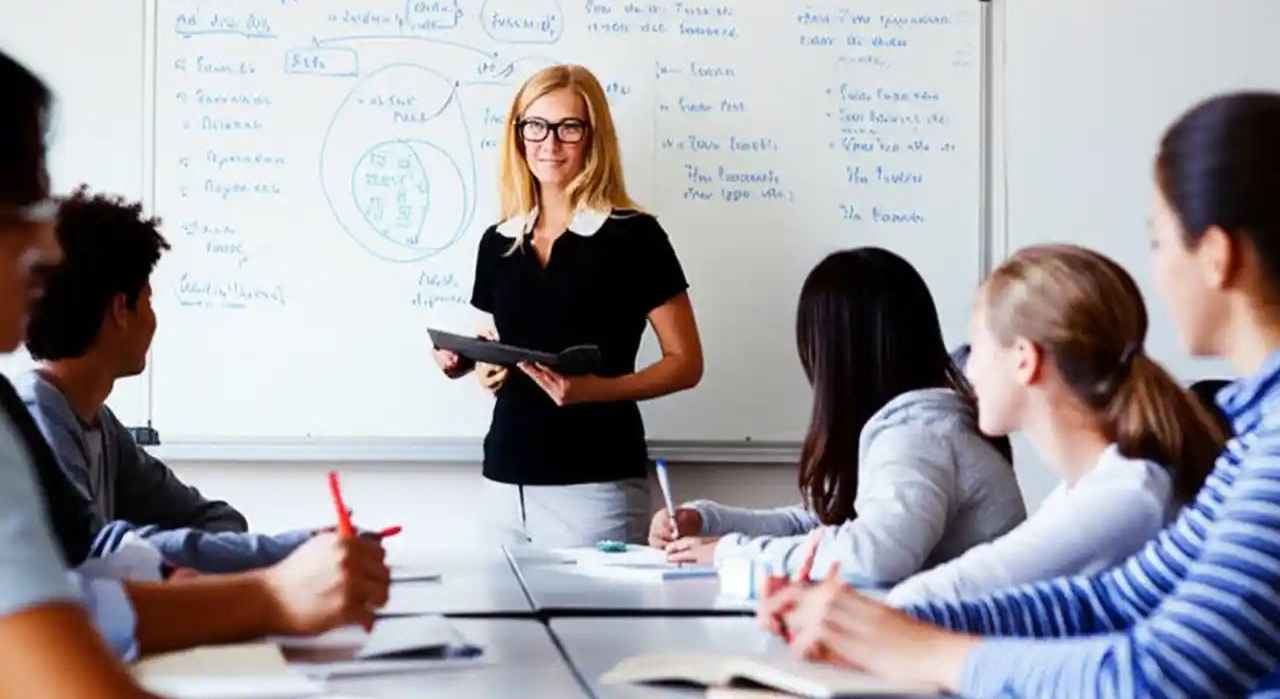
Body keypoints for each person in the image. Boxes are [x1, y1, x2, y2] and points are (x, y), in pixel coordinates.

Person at [760, 92, 1280, 697]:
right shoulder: (1255, 430)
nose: (1156, 267)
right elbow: (1113, 600)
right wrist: (879, 623)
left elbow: (1159, 674)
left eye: (1159, 242)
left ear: (1216, 256)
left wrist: (917, 648)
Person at [0, 49, 388, 696]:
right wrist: (271, 587)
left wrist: (230, 586)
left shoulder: (36, 418)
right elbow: (86, 592)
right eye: (28, 210)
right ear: (121, 309)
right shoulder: (28, 414)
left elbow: (86, 585)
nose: (46, 248)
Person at [431, 64, 704, 547]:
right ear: (518, 134)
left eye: (568, 128)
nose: (549, 143)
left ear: (593, 137)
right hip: (504, 482)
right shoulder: (498, 241)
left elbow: (686, 364)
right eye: (535, 126)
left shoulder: (635, 237)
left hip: (596, 487)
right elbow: (508, 347)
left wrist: (595, 390)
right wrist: (472, 363)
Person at [650, 248, 1026, 583]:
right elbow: (819, 523)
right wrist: (706, 520)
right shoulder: (921, 423)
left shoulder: (917, 435)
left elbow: (875, 555)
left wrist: (730, 553)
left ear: (836, 355)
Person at [885, 244, 1223, 605]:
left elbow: (949, 592)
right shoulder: (1090, 487)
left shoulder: (1128, 494)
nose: (969, 370)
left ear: (1024, 360)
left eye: (977, 348)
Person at [21, 186, 317, 573]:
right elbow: (94, 550)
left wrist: (201, 552)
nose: (153, 319)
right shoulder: (35, 418)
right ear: (120, 310)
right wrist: (298, 550)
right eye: (147, 299)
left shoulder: (100, 425)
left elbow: (214, 519)